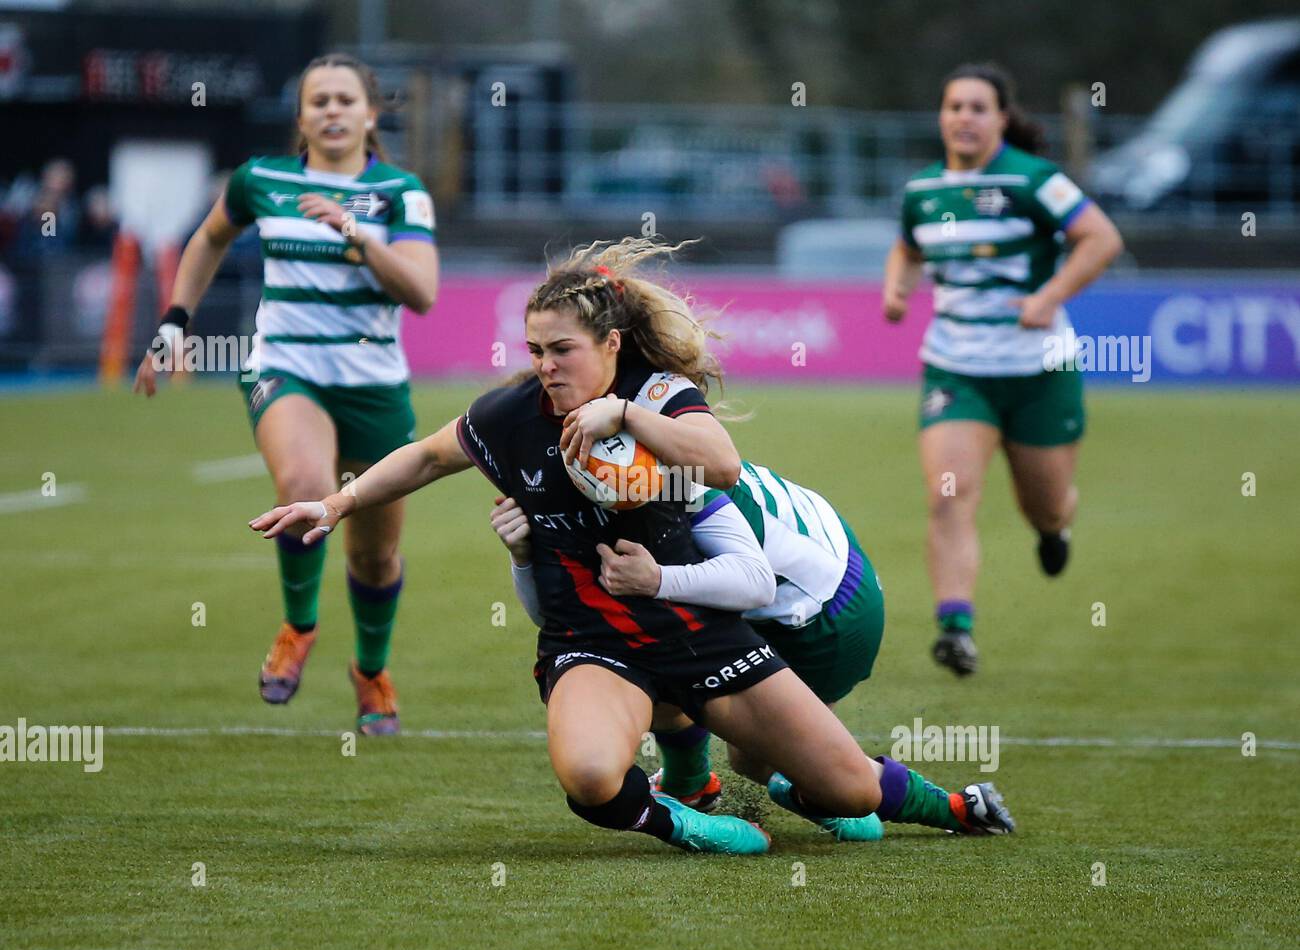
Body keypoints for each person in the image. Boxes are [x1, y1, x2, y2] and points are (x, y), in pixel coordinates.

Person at [251, 238, 1015, 854]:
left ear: (612, 344)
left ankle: (953, 806)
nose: (545, 367)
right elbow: (426, 456)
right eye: (534, 350)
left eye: (562, 351)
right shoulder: (517, 413)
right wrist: (339, 500)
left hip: (701, 631)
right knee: (587, 775)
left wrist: (624, 421)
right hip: (594, 642)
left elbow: (720, 464)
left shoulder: (657, 399)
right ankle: (687, 821)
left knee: (848, 790)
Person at [134, 53, 439, 734]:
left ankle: (370, 669)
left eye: (343, 99)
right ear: (300, 118)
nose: (331, 110)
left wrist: (354, 231)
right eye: (318, 101)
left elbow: (421, 293)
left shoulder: (400, 191)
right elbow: (208, 238)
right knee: (302, 482)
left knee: (374, 553)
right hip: (284, 366)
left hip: (373, 385)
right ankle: (299, 627)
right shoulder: (260, 180)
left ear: (369, 113)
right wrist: (173, 324)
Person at [489, 457, 893, 842]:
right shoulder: (663, 456)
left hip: (821, 614)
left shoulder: (663, 479)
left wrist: (656, 580)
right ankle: (689, 786)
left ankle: (934, 806)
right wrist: (523, 556)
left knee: (758, 761)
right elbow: (558, 611)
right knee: (661, 649)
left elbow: (755, 583)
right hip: (834, 581)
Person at [883, 63, 1123, 677]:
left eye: (978, 108)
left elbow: (1100, 239)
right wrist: (897, 290)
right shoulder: (923, 192)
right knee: (950, 494)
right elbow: (908, 246)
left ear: (1001, 119)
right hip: (956, 369)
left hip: (1039, 368)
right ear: (942, 116)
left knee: (1043, 505)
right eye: (954, 106)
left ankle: (1053, 530)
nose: (964, 117)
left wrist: (1048, 298)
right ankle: (955, 626)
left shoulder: (1037, 179)